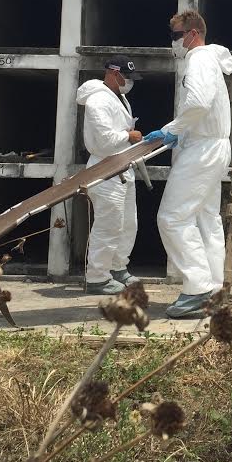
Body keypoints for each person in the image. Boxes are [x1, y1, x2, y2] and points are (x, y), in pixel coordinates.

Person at [144, 10, 232, 319]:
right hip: (214, 146)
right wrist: (180, 137)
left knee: (172, 217)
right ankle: (214, 290)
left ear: (192, 34)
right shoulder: (211, 60)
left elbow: (198, 103)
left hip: (203, 150)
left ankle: (197, 289)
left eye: (175, 36)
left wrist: (171, 131)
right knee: (206, 219)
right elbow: (204, 109)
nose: (173, 43)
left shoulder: (197, 59)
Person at [77, 55, 144, 295]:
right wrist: (129, 136)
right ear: (114, 74)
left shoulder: (121, 97)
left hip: (123, 167)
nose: (129, 82)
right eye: (127, 77)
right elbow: (104, 140)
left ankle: (117, 268)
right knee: (107, 225)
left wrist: (128, 137)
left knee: (127, 224)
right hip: (105, 168)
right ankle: (97, 277)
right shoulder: (97, 100)